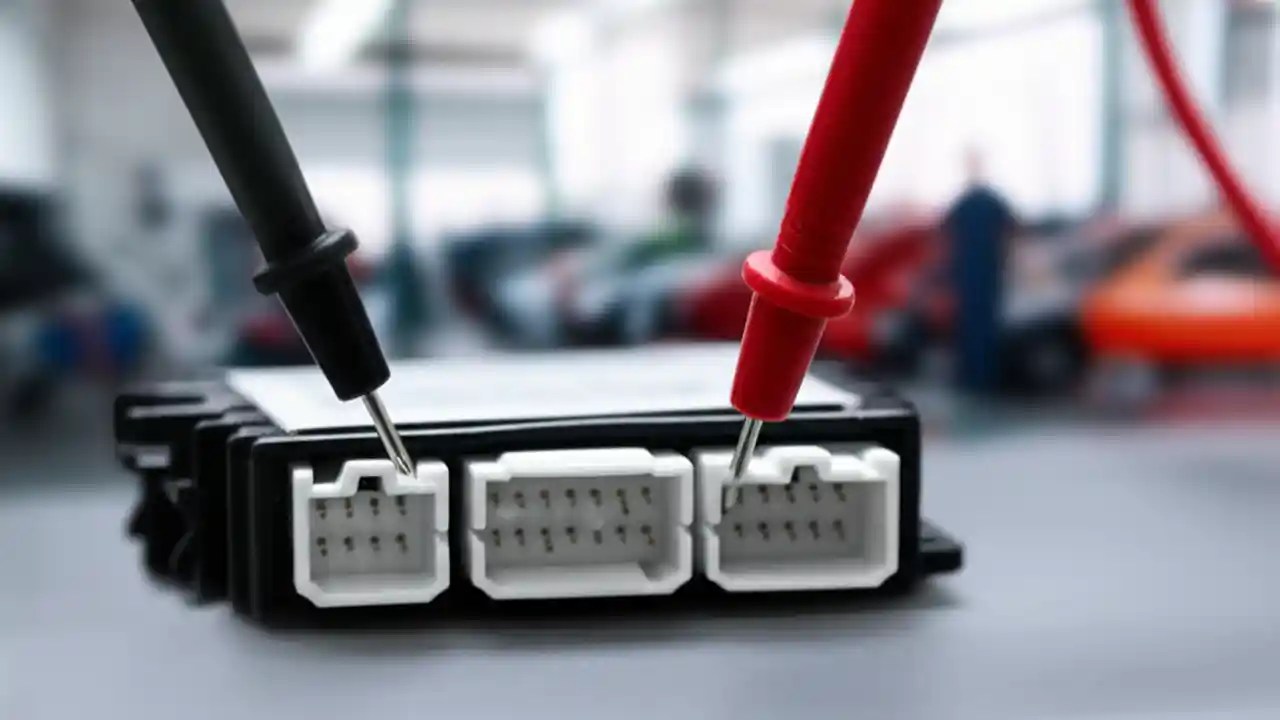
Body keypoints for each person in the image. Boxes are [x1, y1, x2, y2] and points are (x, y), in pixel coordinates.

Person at [942, 150, 1016, 394]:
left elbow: (1010, 231)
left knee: (981, 326)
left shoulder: (979, 201)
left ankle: (981, 377)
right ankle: (977, 376)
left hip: (980, 271)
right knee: (972, 326)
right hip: (975, 271)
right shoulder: (973, 201)